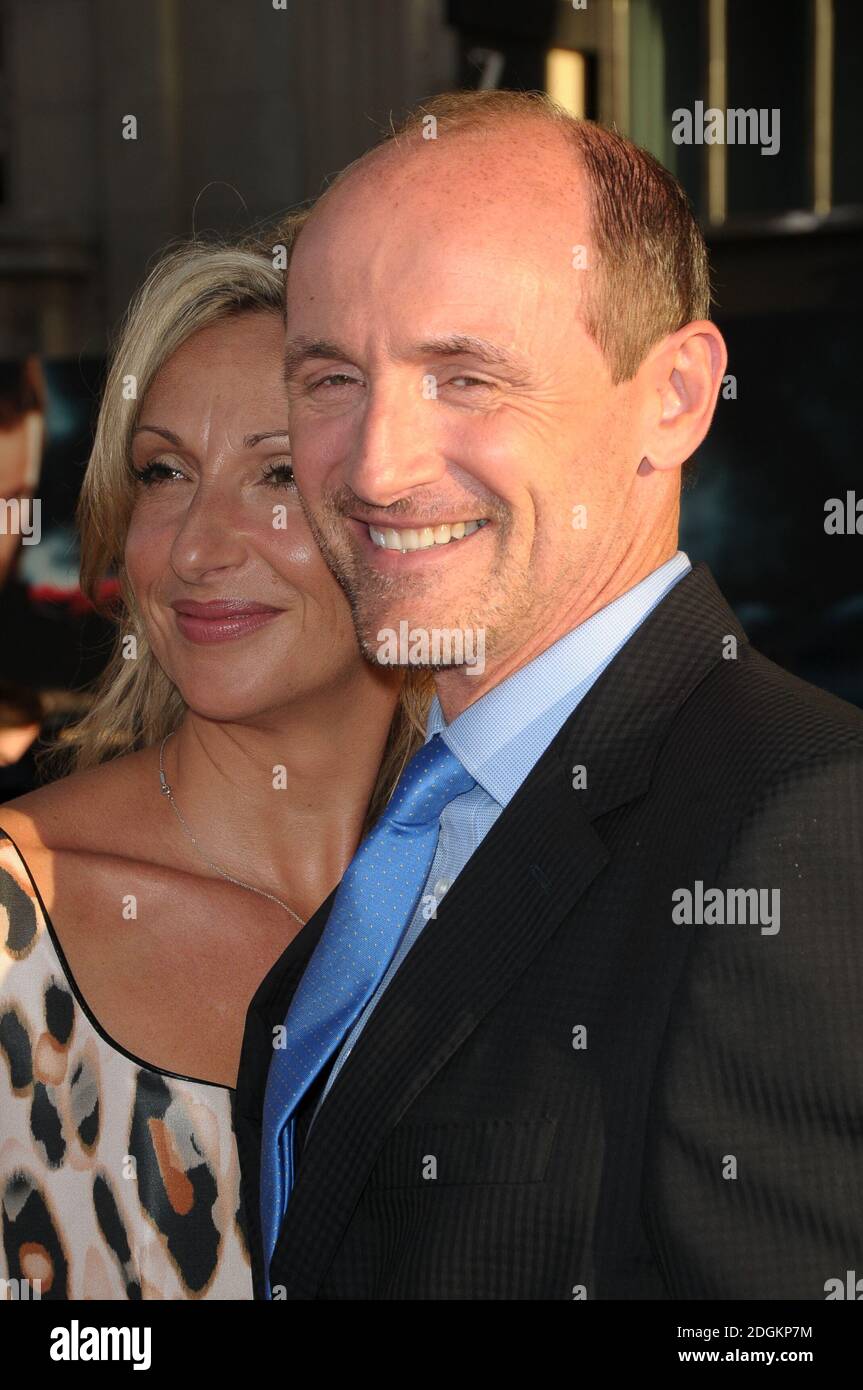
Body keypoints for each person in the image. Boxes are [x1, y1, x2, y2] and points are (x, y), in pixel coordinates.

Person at [237, 90, 863, 1301]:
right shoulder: (425, 793)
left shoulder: (802, 833)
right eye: (329, 380)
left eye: (463, 375)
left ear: (673, 397)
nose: (375, 466)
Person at [0, 236, 430, 1300]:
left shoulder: (523, 896)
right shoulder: (14, 929)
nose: (196, 545)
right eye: (164, 473)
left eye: (277, 470)